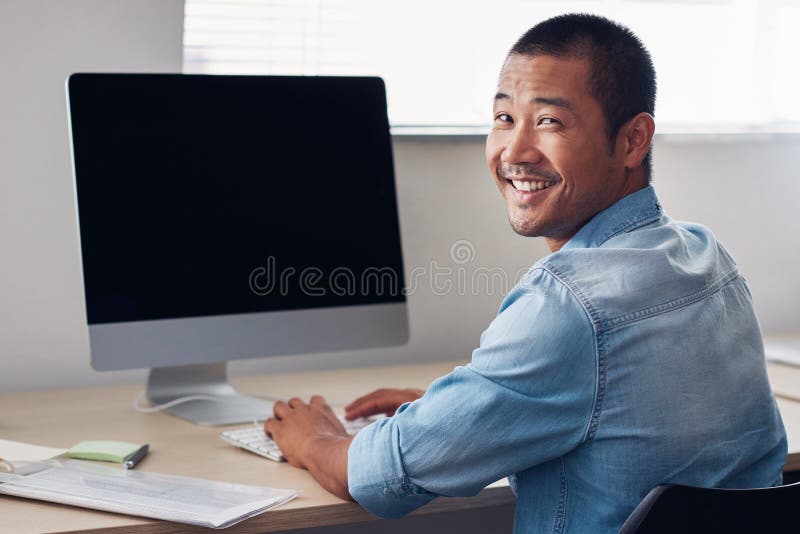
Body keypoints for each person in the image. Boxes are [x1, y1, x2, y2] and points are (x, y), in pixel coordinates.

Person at [263, 13, 787, 533]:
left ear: (632, 141)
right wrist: (460, 411)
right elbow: (621, 410)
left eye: (550, 122)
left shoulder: (568, 305)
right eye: (504, 119)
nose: (513, 152)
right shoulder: (704, 254)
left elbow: (375, 477)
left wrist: (314, 440)